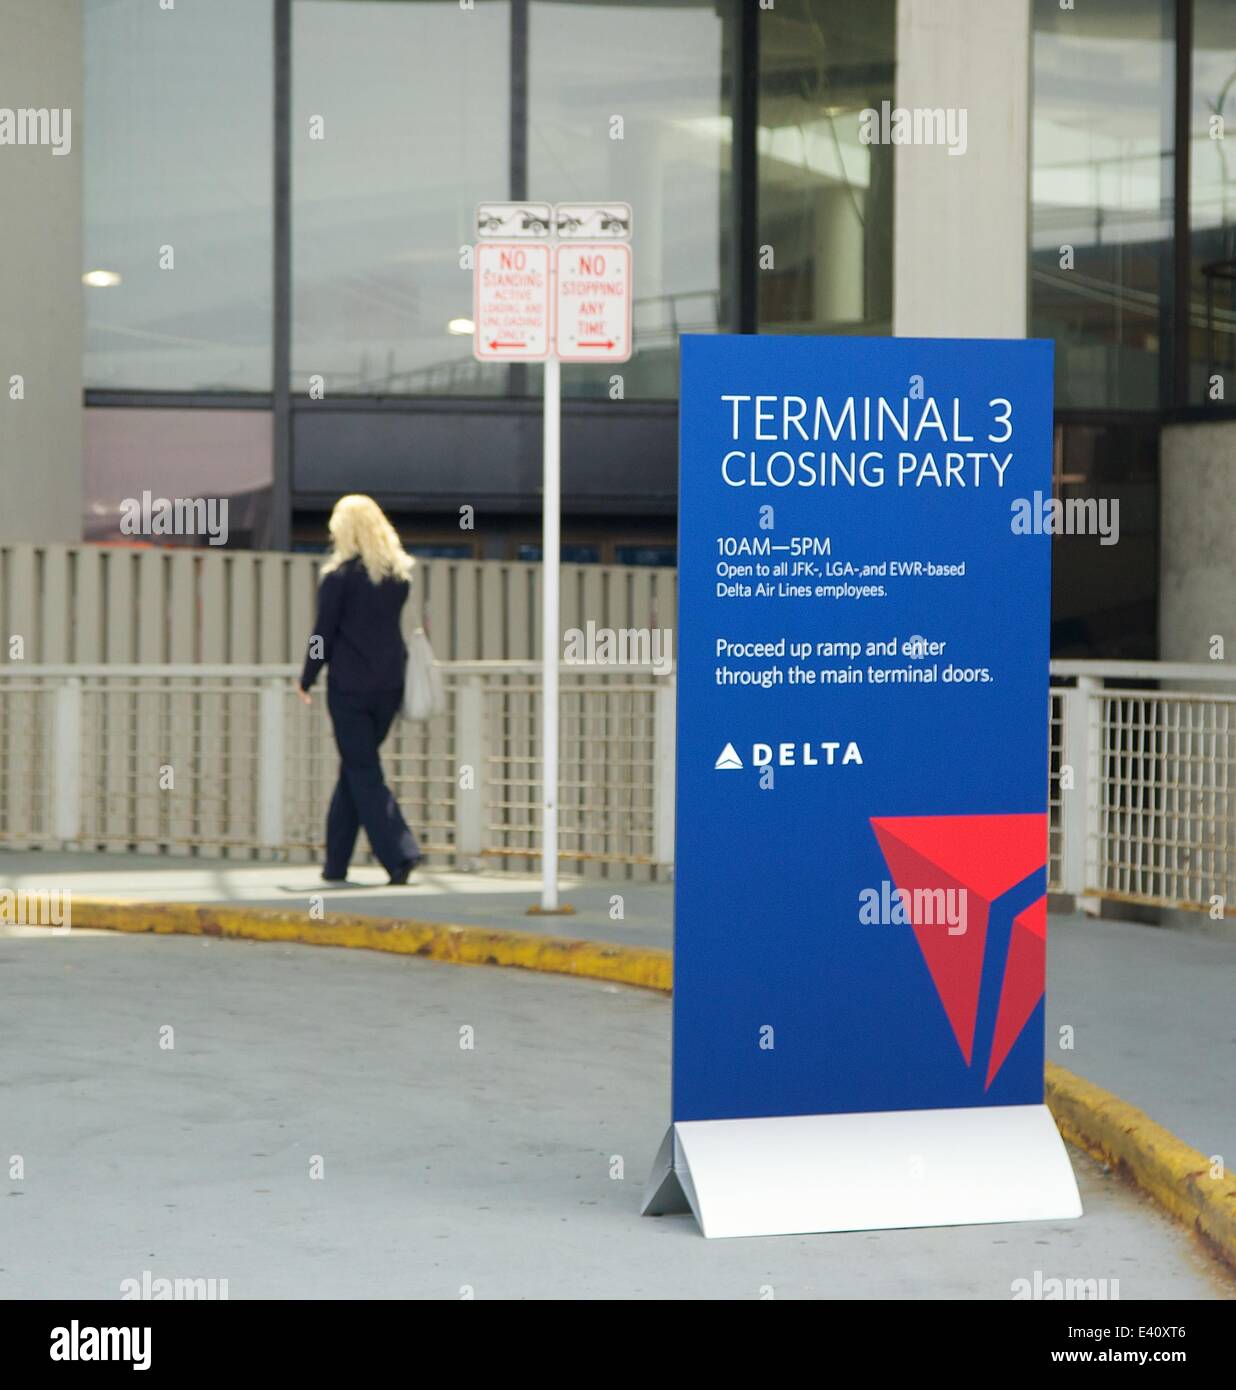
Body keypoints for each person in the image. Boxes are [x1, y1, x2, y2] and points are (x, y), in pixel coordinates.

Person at [298, 494, 422, 885]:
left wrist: (306, 677)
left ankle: (400, 855)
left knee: (363, 769)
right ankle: (335, 865)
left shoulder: (338, 580)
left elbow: (324, 634)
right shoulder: (398, 579)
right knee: (355, 769)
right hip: (389, 686)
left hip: (349, 689)